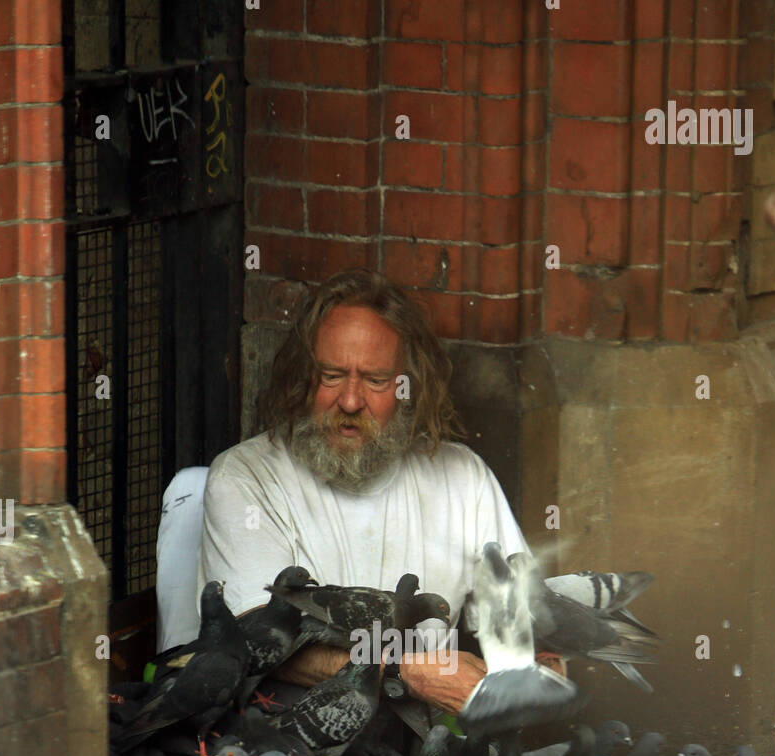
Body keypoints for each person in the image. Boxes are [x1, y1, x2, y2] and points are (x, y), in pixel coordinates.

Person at [196, 268, 531, 714]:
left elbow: (522, 620)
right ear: (304, 376)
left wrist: (541, 667)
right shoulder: (244, 479)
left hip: (427, 746)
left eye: (375, 381)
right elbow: (255, 643)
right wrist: (408, 673)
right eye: (331, 375)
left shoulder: (462, 478)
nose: (350, 402)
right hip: (291, 738)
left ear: (409, 386)